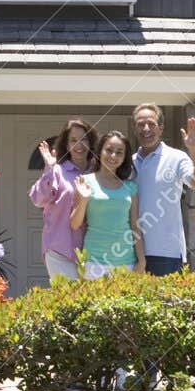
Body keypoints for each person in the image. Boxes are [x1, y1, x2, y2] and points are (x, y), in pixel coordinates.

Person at [130, 103, 195, 276]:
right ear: (135, 129)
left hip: (166, 253)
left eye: (151, 124)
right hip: (129, 252)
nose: (146, 129)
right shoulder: (127, 163)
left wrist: (194, 150)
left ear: (161, 128)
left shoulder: (176, 158)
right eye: (140, 124)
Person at [29, 118, 97, 281]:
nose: (79, 145)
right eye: (73, 140)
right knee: (69, 300)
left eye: (84, 139)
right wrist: (49, 168)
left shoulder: (97, 173)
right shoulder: (57, 171)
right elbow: (38, 200)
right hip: (60, 249)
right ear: (67, 145)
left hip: (93, 250)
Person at [69, 130, 144, 278]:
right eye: (109, 150)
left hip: (126, 262)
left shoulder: (130, 187)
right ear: (100, 151)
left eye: (119, 152)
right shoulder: (85, 181)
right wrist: (83, 200)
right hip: (93, 262)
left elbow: (135, 225)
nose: (113, 156)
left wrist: (141, 260)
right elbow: (74, 224)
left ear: (124, 157)